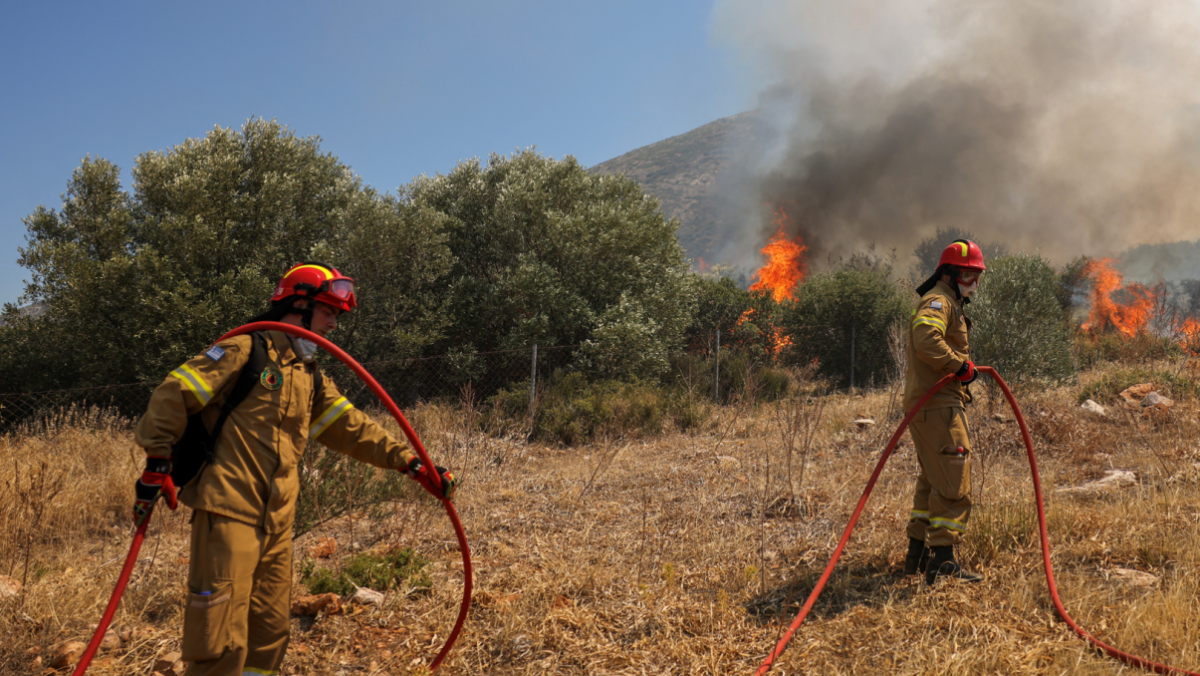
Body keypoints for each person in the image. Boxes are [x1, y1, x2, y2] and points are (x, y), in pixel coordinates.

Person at [132, 262, 455, 676]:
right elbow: (173, 393)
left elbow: (350, 426)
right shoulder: (244, 351)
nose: (333, 326)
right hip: (229, 513)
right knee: (219, 640)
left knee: (269, 633)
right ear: (299, 305)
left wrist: (411, 463)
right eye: (328, 313)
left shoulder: (308, 374)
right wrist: (158, 462)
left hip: (277, 523)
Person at [902, 240, 985, 586]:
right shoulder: (939, 301)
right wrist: (959, 366)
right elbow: (925, 338)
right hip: (937, 405)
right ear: (949, 274)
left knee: (933, 479)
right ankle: (943, 561)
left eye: (977, 276)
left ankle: (917, 554)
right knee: (953, 478)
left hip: (934, 404)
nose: (973, 283)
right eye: (968, 274)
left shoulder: (949, 301)